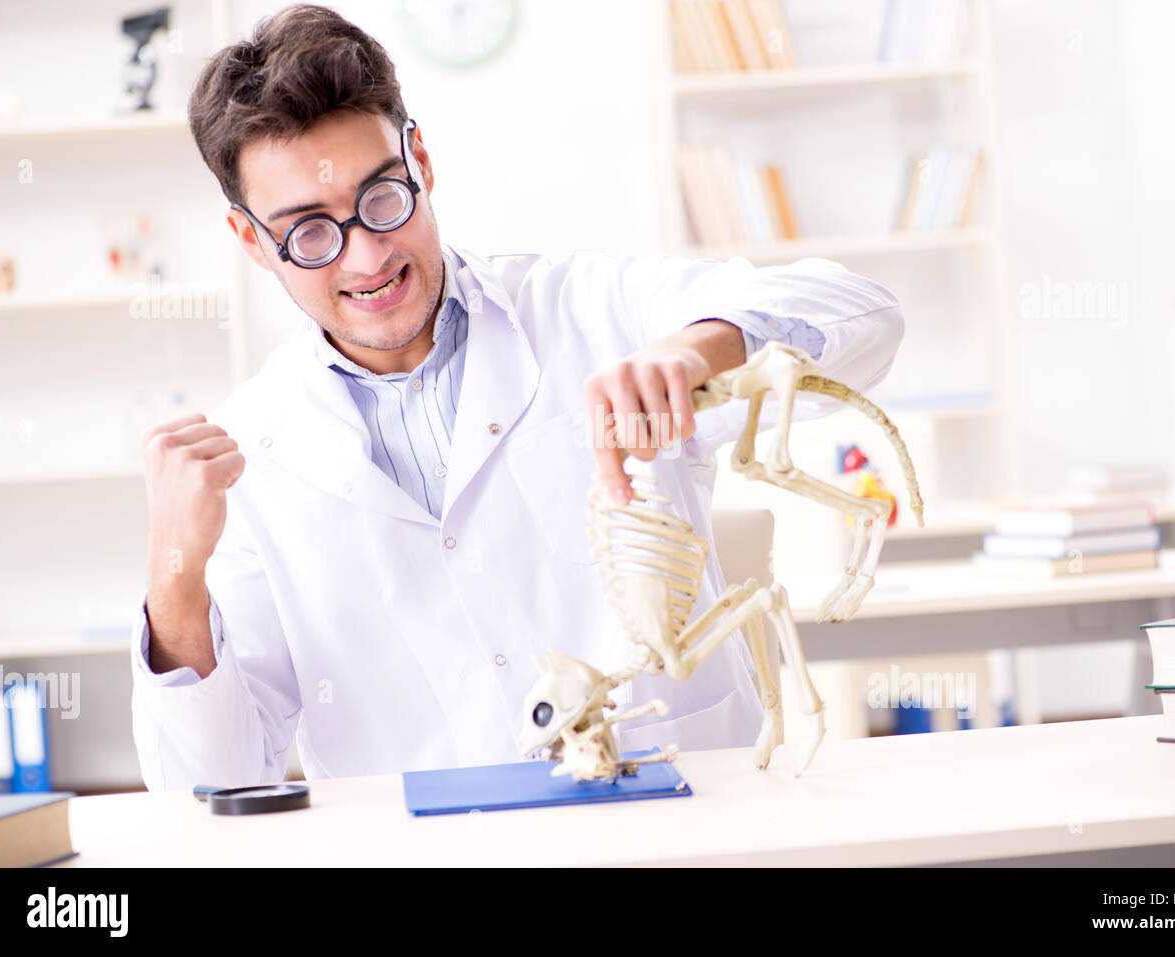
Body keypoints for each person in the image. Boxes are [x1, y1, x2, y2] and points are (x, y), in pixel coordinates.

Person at [132, 4, 905, 790]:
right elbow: (210, 787)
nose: (366, 255)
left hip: (684, 827)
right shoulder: (248, 455)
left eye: (382, 198)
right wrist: (175, 577)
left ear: (420, 159)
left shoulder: (593, 310)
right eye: (309, 231)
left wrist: (695, 348)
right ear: (250, 242)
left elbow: (866, 315)